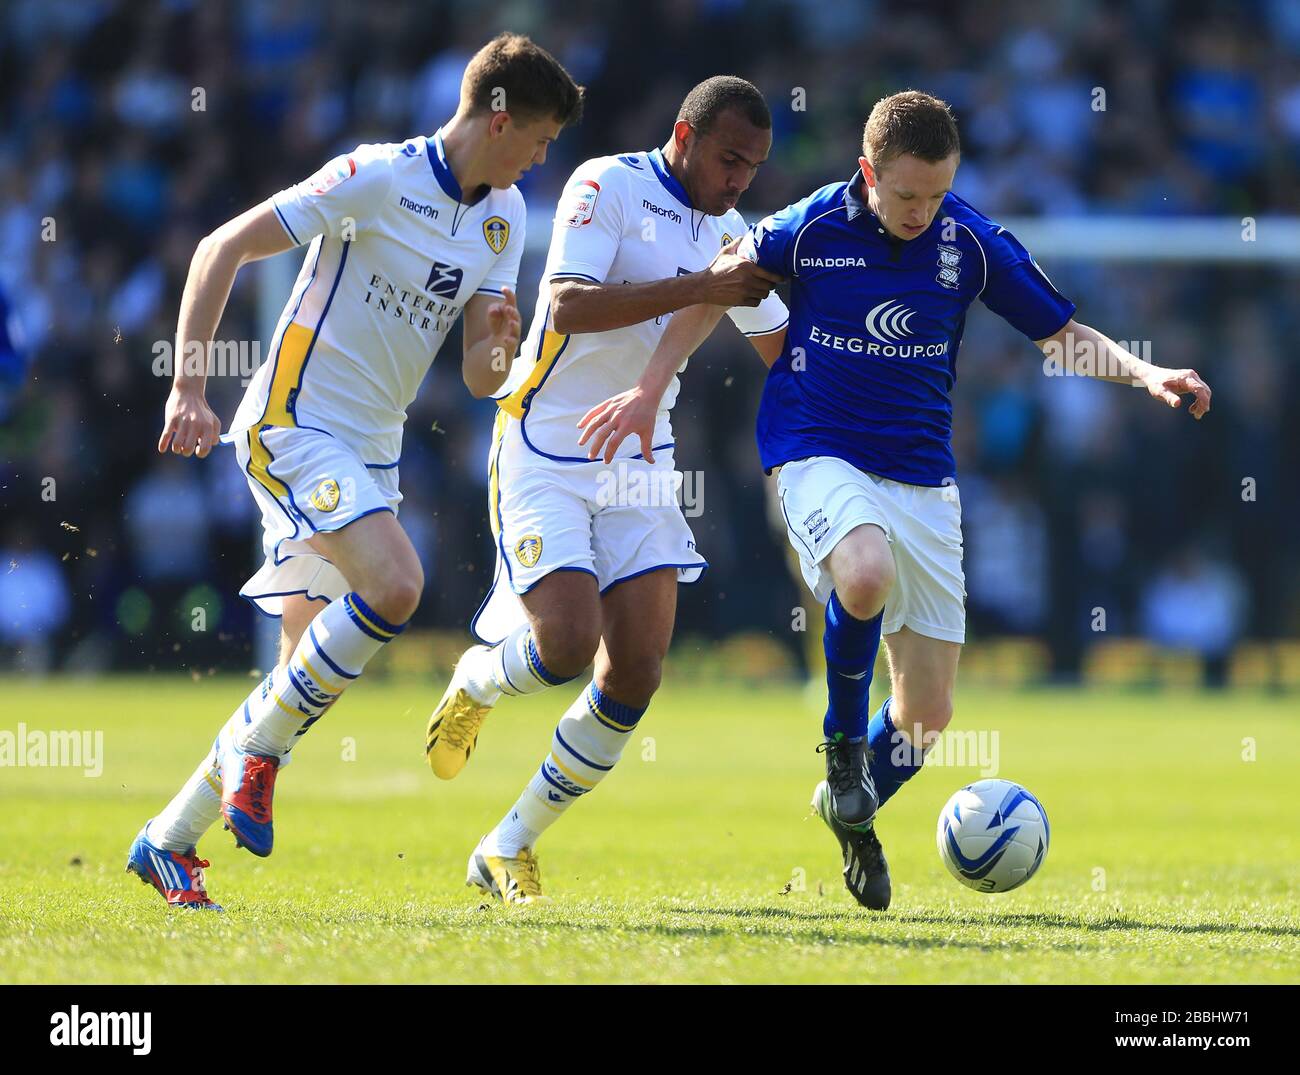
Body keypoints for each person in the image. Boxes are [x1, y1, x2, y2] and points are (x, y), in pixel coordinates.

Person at [576, 90, 1211, 910]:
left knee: (926, 713)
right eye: (906, 194)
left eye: (938, 194)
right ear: (868, 172)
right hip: (815, 451)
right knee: (863, 572)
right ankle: (842, 754)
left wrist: (1148, 373)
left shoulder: (970, 241)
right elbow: (713, 291)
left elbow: (1061, 335)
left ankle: (851, 809)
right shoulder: (809, 226)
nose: (922, 211)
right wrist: (646, 389)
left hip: (922, 476)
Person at [126, 33, 584, 910]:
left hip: (375, 450)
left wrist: (499, 346)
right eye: (538, 138)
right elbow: (220, 247)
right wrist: (188, 385)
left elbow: (484, 375)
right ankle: (256, 760)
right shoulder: (373, 176)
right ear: (498, 119)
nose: (540, 156)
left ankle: (167, 840)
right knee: (400, 585)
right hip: (293, 424)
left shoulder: (505, 216)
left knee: (294, 678)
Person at [425, 76, 788, 905]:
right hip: (546, 445)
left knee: (636, 671)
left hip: (640, 459)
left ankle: (507, 843)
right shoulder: (606, 185)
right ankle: (480, 679)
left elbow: (781, 350)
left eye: (754, 168)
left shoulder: (732, 232)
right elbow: (566, 307)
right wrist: (701, 286)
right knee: (562, 644)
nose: (739, 181)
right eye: (730, 159)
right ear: (684, 136)